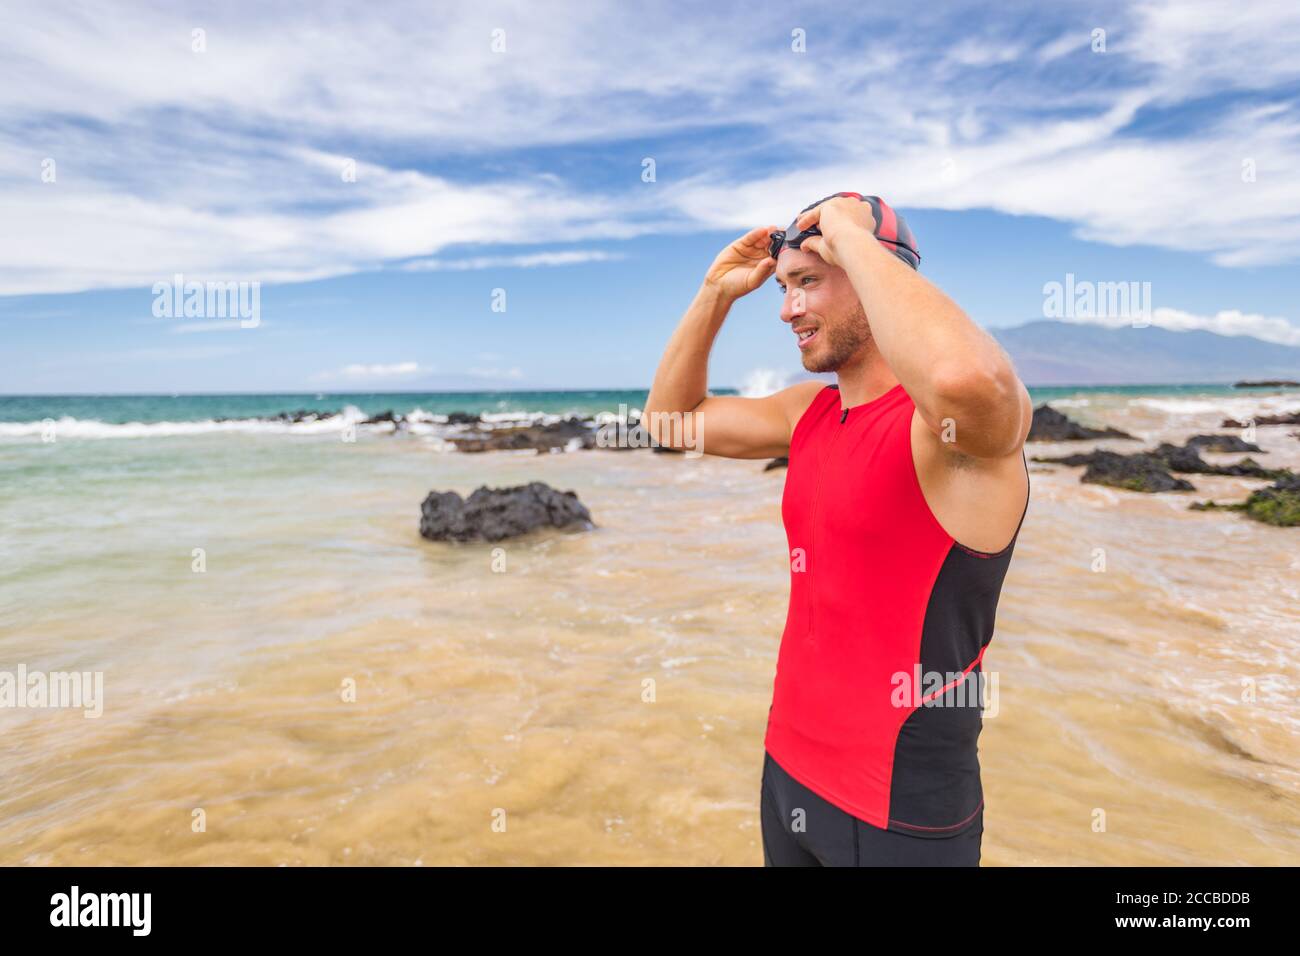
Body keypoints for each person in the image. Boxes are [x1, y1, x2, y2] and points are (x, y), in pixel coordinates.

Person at [642, 193, 1032, 866]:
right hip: (788, 773)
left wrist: (851, 236)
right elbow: (668, 424)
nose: (789, 309)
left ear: (877, 272)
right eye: (786, 287)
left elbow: (970, 379)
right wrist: (714, 293)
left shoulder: (948, 437)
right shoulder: (809, 416)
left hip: (901, 813)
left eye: (809, 281)